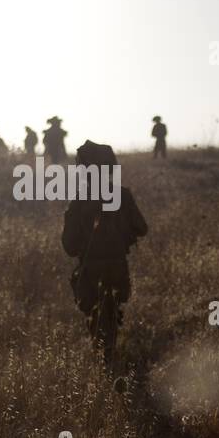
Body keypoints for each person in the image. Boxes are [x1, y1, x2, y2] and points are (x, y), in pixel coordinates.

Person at [61, 141, 147, 367]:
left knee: (94, 317)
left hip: (91, 271)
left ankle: (102, 361)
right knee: (113, 311)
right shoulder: (123, 196)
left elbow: (69, 246)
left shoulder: (79, 201)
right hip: (119, 268)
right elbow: (142, 228)